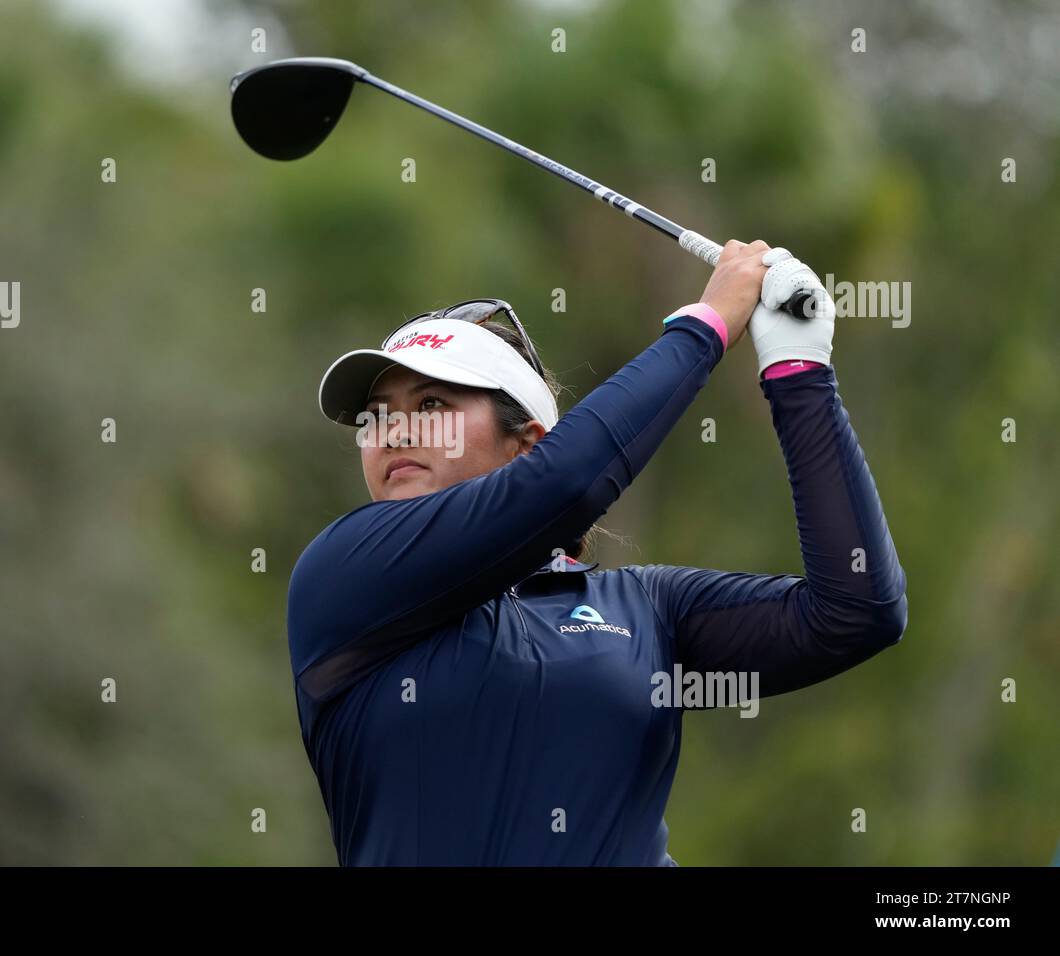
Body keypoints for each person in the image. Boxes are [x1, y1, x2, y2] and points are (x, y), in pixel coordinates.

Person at [286, 240, 908, 865]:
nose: (394, 430)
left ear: (527, 445)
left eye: (431, 406)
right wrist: (707, 324)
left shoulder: (644, 609)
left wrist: (798, 374)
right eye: (377, 415)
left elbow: (857, 611)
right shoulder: (343, 577)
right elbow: (564, 488)